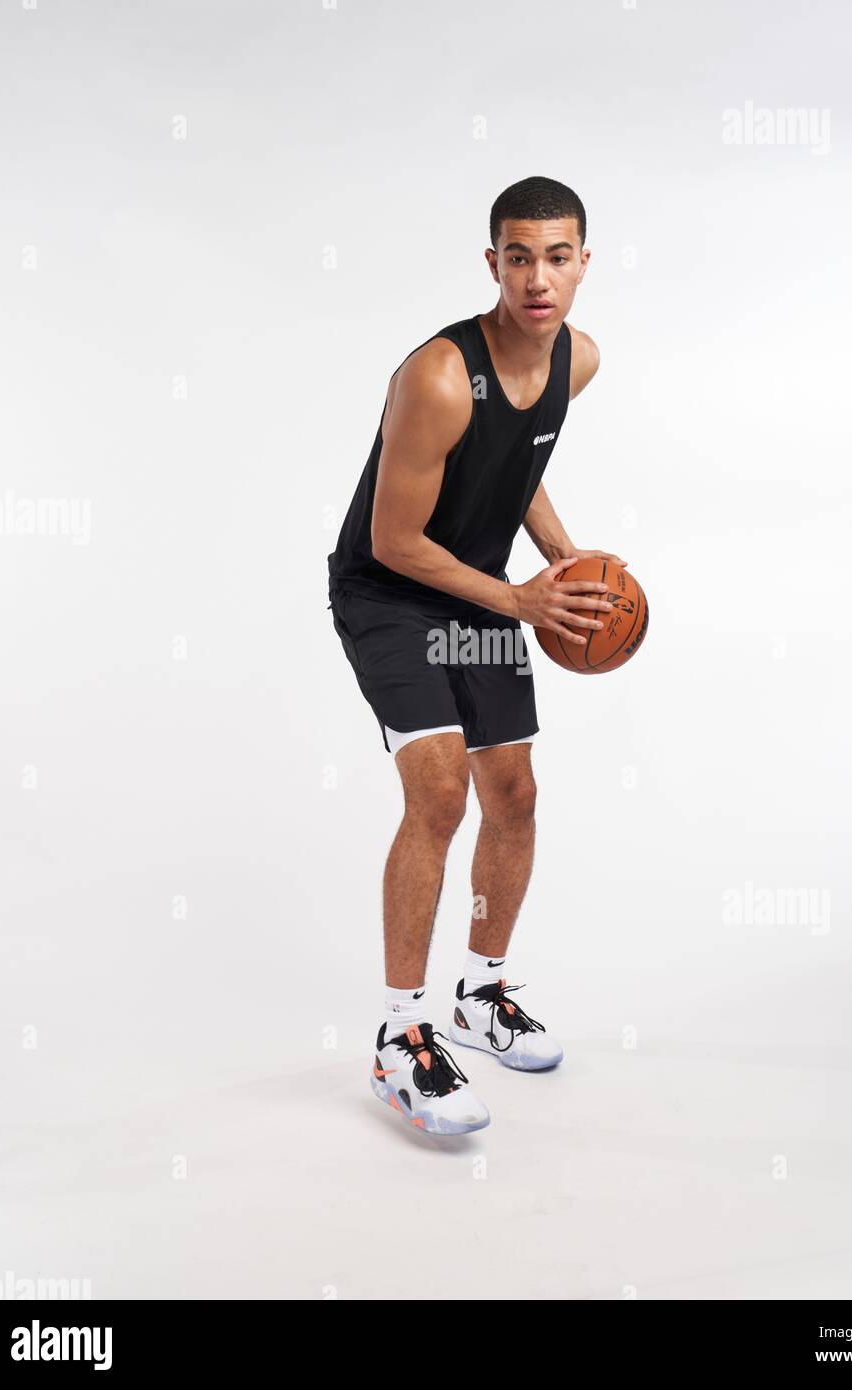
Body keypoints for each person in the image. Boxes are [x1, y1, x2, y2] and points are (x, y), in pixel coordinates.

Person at [327, 175, 625, 1135]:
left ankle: (481, 994)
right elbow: (393, 540)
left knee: (514, 794)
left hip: (486, 586)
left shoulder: (576, 361)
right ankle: (401, 1036)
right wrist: (520, 601)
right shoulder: (440, 375)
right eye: (518, 256)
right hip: (392, 592)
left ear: (585, 263)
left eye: (557, 255)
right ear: (491, 262)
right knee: (441, 790)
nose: (538, 277)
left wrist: (566, 563)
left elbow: (515, 467)